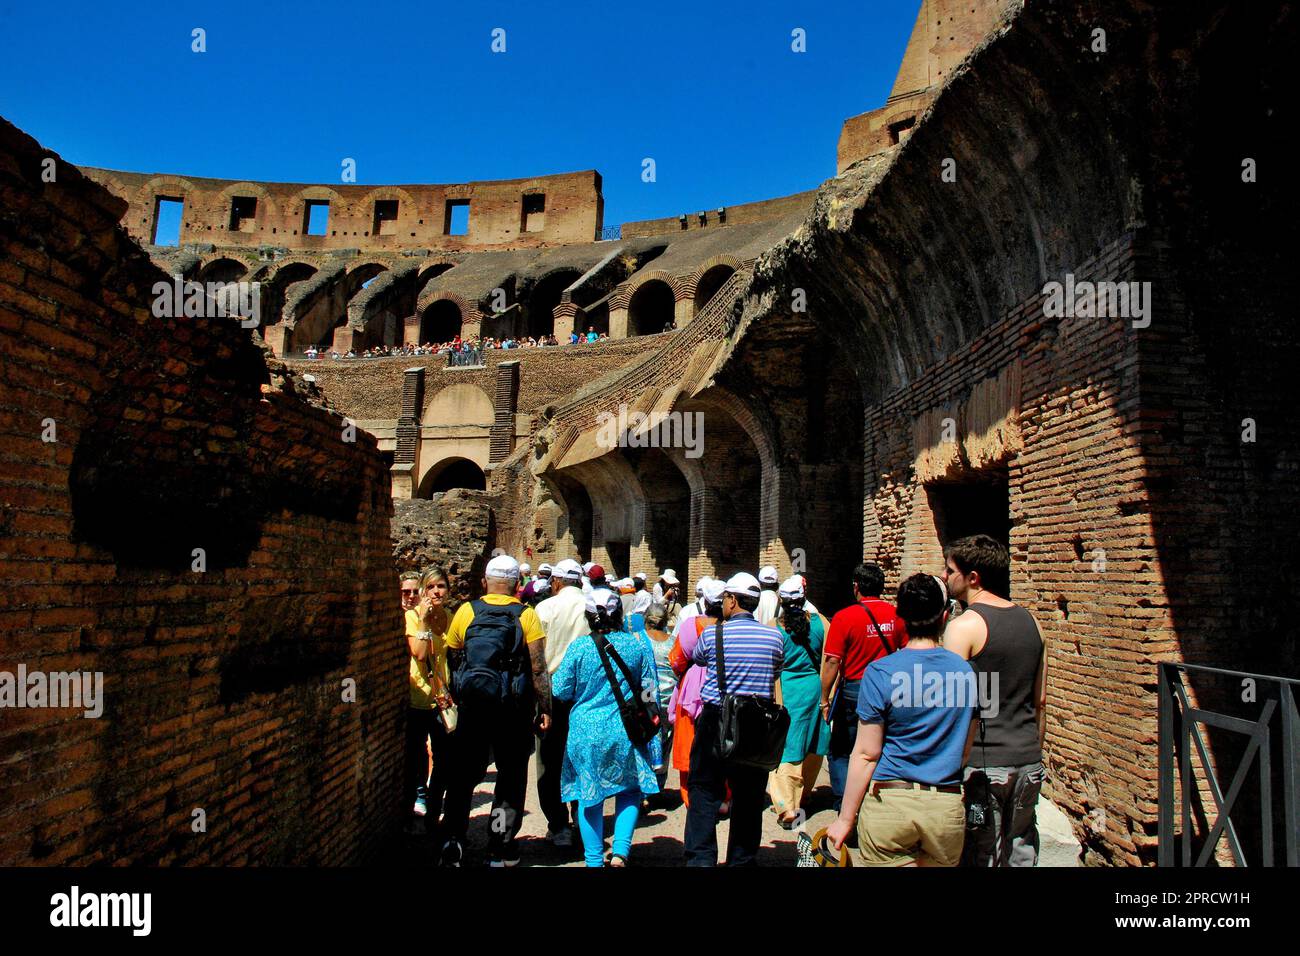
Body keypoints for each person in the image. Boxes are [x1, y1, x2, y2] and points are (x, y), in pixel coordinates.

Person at [826, 574, 979, 866]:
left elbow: (867, 753)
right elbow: (964, 750)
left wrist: (846, 818)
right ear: (946, 616)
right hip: (944, 805)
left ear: (900, 618)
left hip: (891, 801)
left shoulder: (880, 672)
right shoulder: (968, 673)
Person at [940, 534, 1048, 867]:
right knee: (1021, 850)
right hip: (1028, 759)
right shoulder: (1033, 622)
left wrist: (949, 765)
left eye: (950, 570)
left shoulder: (964, 627)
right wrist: (1033, 748)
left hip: (985, 767)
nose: (944, 577)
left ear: (973, 578)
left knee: (980, 851)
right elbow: (1041, 700)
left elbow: (952, 705)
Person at [439, 555, 552, 868]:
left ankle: (453, 839)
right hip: (512, 712)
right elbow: (539, 668)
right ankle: (499, 846)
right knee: (510, 779)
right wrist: (545, 708)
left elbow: (453, 657)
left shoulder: (466, 611)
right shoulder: (526, 615)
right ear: (517, 586)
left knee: (462, 776)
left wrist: (461, 691)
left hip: (474, 707)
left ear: (485, 582)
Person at [551, 587, 661, 866]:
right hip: (625, 730)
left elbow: (561, 690)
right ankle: (621, 851)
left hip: (586, 732)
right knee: (629, 789)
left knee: (589, 795)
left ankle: (593, 859)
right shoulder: (636, 646)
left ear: (588, 616)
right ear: (619, 614)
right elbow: (649, 690)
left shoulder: (579, 648)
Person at [683, 572, 785, 867]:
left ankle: (701, 858)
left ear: (731, 600)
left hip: (716, 717)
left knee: (704, 789)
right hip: (755, 724)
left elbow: (699, 660)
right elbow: (776, 669)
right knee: (750, 796)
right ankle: (741, 859)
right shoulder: (774, 637)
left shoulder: (713, 634)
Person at [820, 563, 907, 812]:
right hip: (888, 689)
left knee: (841, 749)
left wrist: (824, 699)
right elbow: (906, 650)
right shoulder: (896, 616)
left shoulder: (844, 616)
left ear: (856, 587)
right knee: (881, 744)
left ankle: (845, 804)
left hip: (854, 690)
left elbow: (833, 660)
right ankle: (874, 799)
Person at [532, 559, 590, 848]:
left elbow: (537, 660)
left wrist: (540, 703)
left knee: (549, 762)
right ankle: (582, 819)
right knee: (580, 760)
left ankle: (557, 825)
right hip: (585, 694)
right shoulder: (592, 608)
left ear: (555, 582)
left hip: (552, 693)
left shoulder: (545, 608)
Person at [769, 575, 831, 828]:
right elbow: (830, 658)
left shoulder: (775, 627)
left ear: (782, 601)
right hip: (814, 688)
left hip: (787, 690)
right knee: (812, 742)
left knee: (788, 745)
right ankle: (803, 797)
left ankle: (787, 807)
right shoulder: (821, 623)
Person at [404, 567, 455, 836]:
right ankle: (417, 802)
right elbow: (421, 654)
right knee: (416, 756)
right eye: (431, 587)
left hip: (443, 699)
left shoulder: (449, 616)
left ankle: (434, 809)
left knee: (444, 758)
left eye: (441, 587)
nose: (437, 592)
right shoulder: (412, 617)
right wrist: (424, 620)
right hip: (418, 697)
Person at [666, 577, 721, 807]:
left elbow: (677, 659)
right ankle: (722, 795)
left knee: (689, 738)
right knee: (720, 739)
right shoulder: (728, 625)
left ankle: (691, 795)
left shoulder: (692, 624)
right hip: (723, 684)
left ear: (704, 601)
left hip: (693, 687)